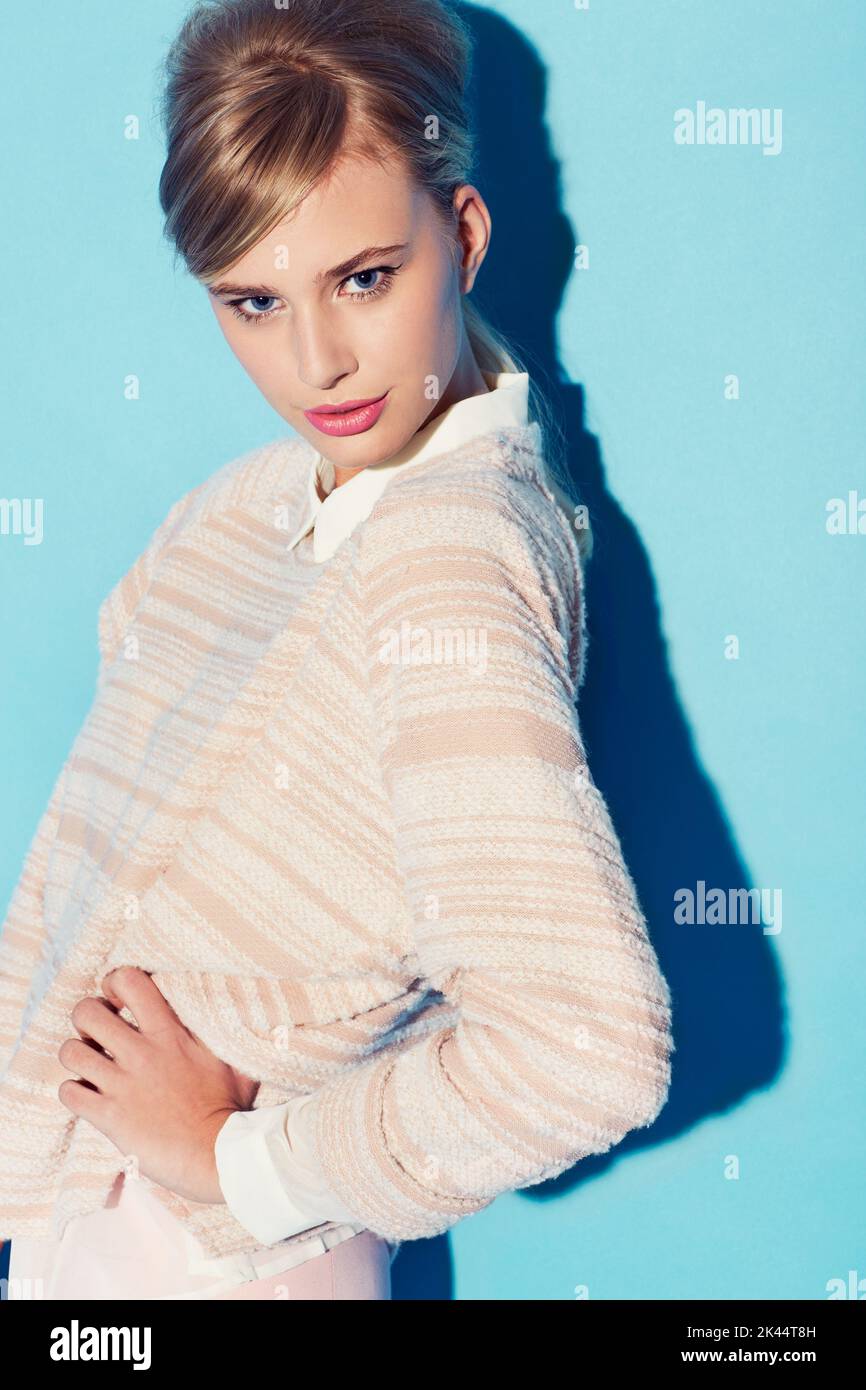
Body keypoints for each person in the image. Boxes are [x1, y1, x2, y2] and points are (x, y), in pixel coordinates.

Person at [0, 0, 673, 1301]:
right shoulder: (241, 510)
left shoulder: (451, 554)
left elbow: (584, 1048)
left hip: (211, 1260)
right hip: (94, 1229)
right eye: (253, 300)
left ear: (463, 234)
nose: (316, 360)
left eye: (363, 278)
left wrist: (236, 1158)